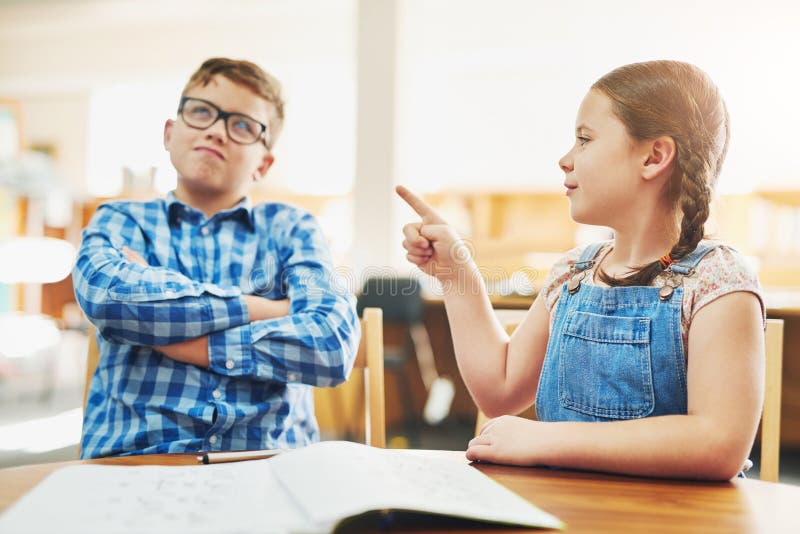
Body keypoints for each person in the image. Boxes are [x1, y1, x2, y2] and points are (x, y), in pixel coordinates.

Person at [397, 60, 765, 480]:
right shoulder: (573, 271)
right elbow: (498, 389)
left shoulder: (719, 279)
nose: (564, 160)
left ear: (654, 157)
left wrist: (545, 440)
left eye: (585, 140)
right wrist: (455, 275)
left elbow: (717, 443)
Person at [73, 58, 360, 458]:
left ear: (264, 162)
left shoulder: (293, 229)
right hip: (134, 462)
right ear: (169, 133)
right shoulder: (120, 219)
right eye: (201, 111)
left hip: (271, 464)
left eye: (242, 125)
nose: (216, 131)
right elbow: (110, 298)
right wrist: (266, 309)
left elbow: (332, 343)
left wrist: (187, 343)